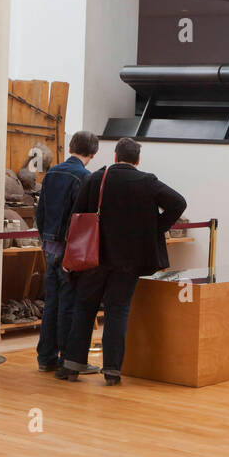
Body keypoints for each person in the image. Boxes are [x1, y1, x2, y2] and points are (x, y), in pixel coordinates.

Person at [58, 137, 187, 385]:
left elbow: (77, 215)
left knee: (84, 309)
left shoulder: (96, 178)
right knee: (117, 312)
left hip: (94, 257)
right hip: (129, 260)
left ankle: (72, 365)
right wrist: (155, 228)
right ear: (137, 160)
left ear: (115, 156)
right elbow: (178, 202)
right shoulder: (146, 181)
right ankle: (112, 371)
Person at [33, 130, 98, 374]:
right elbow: (84, 220)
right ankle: (66, 360)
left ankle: (45, 358)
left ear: (70, 147)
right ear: (93, 153)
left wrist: (45, 240)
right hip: (70, 250)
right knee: (69, 304)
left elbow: (40, 212)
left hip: (50, 247)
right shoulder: (85, 177)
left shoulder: (52, 173)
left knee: (52, 303)